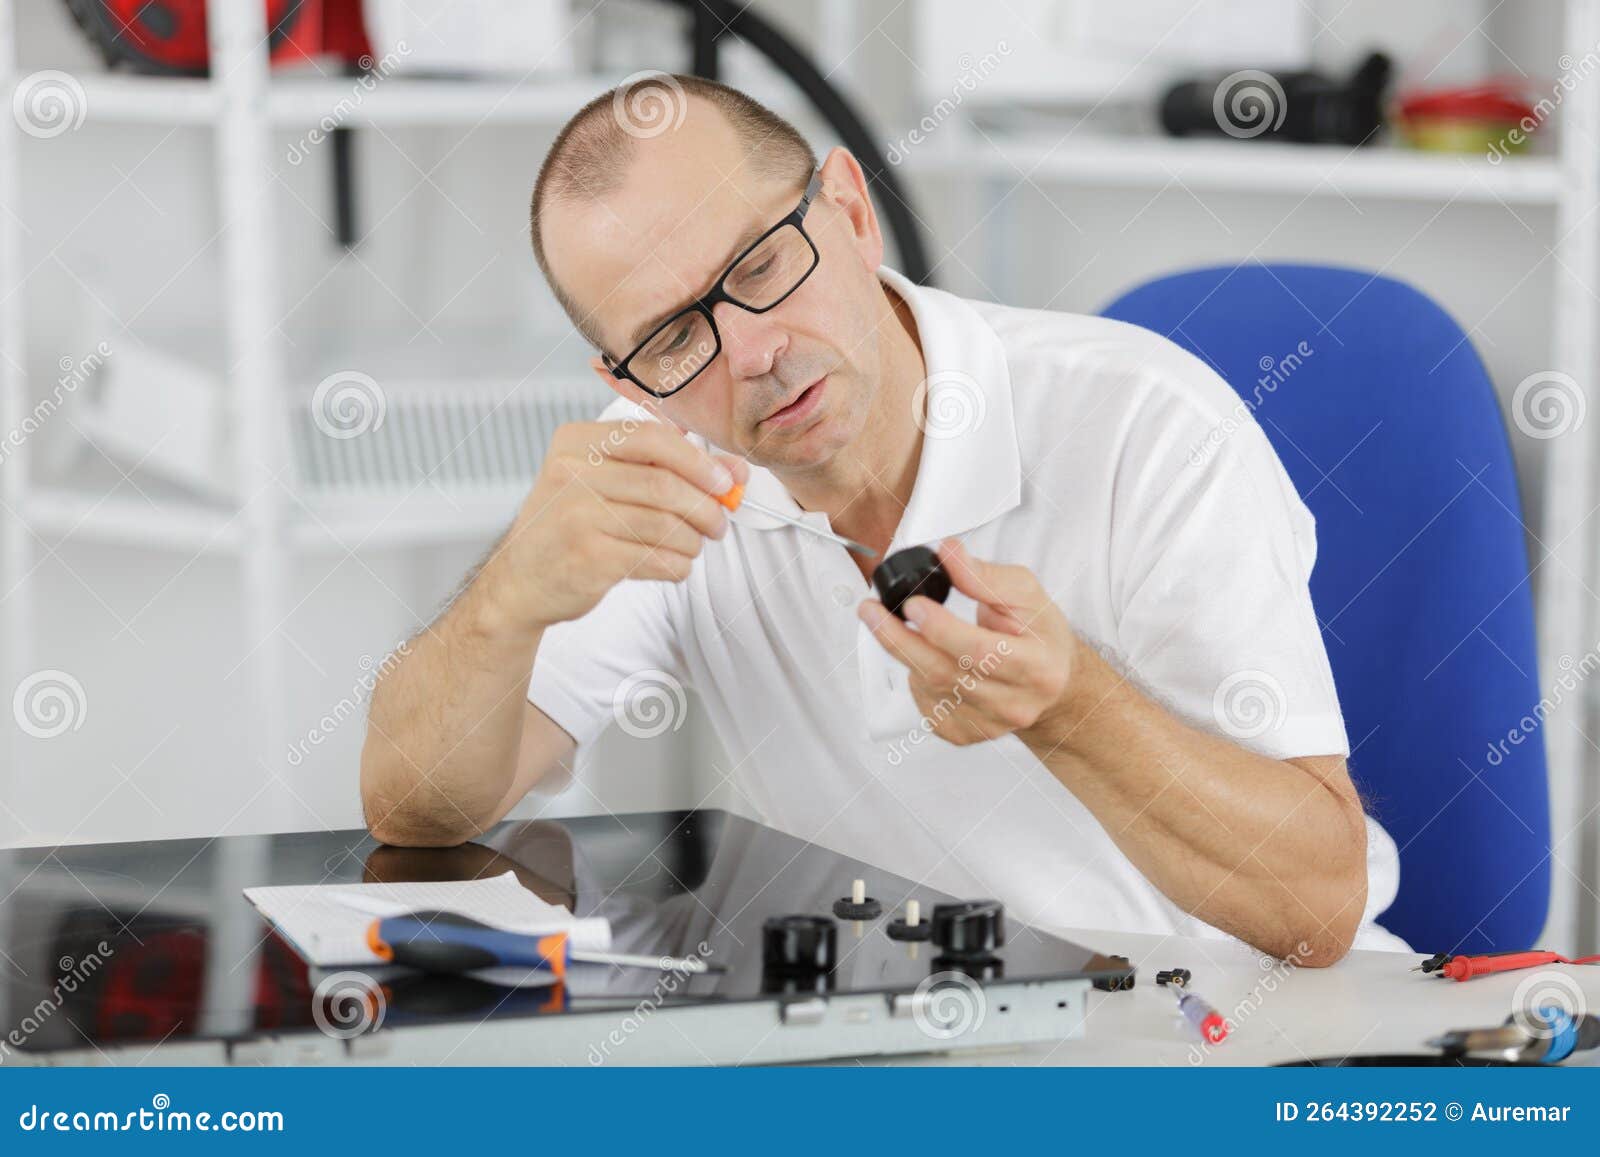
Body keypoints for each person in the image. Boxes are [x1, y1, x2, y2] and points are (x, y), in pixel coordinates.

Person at [359, 73, 1407, 963]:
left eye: (760, 265)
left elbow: (1313, 910)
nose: (751, 351)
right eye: (675, 335)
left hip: (1223, 1038)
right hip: (924, 1050)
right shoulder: (658, 466)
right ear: (625, 377)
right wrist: (504, 600)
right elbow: (415, 813)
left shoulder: (1145, 422)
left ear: (851, 211)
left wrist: (1070, 705)